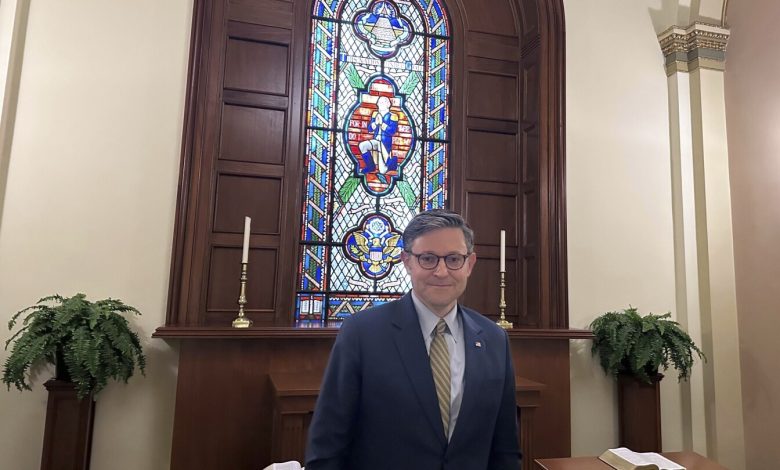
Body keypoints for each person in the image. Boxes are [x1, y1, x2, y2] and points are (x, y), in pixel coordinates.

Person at [305, 209, 521, 470]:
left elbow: (506, 450)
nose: (441, 271)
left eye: (454, 259)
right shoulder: (361, 334)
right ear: (407, 261)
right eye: (428, 258)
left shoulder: (494, 340)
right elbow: (327, 446)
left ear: (470, 264)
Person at [358, 95, 399, 175]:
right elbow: (370, 129)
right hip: (376, 141)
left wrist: (382, 124)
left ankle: (391, 163)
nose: (380, 104)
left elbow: (392, 131)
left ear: (388, 104)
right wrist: (375, 123)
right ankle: (370, 166)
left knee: (382, 171)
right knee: (362, 145)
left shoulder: (393, 116)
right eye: (379, 102)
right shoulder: (375, 114)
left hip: (385, 144)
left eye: (383, 102)